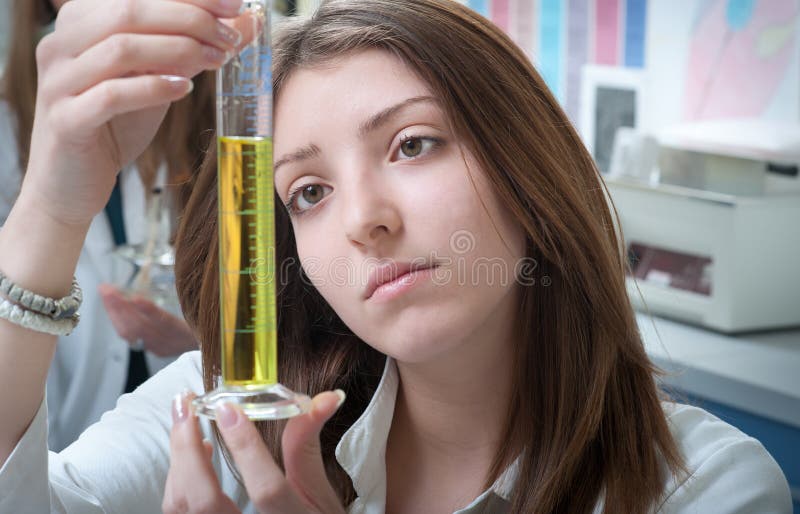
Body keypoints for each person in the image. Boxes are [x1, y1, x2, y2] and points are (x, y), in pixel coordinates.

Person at [0, 0, 793, 513]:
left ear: (526, 166)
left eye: (413, 144)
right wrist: (52, 207)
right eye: (309, 191)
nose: (365, 221)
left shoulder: (708, 490)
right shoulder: (236, 422)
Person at [0, 0, 210, 450]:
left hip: (203, 429)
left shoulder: (225, 102)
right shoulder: (6, 124)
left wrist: (199, 344)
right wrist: (51, 209)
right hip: (56, 436)